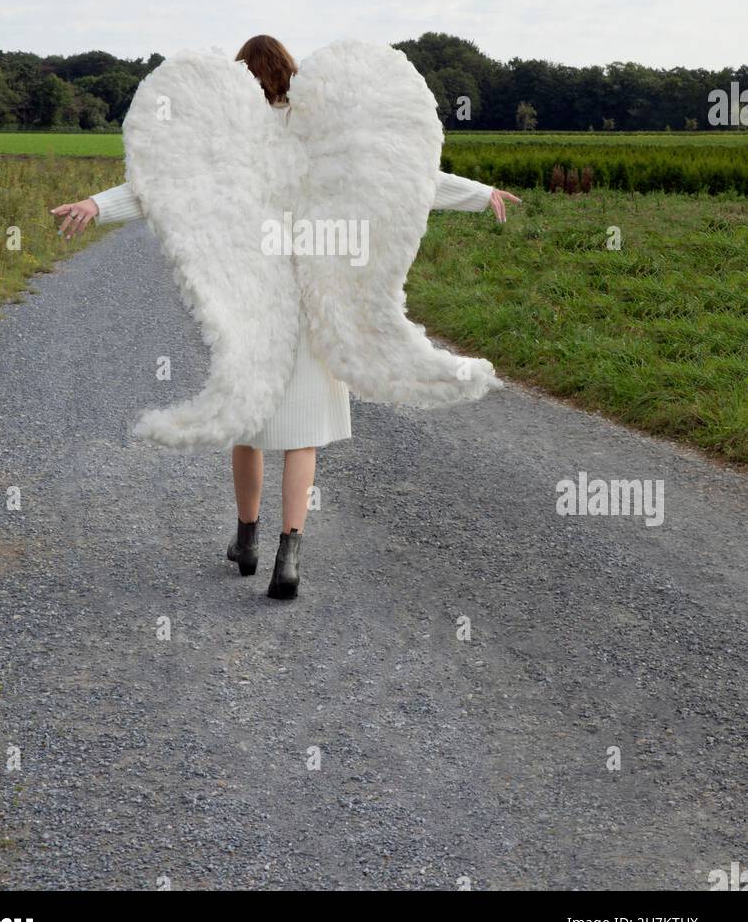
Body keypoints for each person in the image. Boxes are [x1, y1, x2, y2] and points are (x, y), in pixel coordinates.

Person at [51, 35, 520, 600]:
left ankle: (245, 539)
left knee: (247, 425)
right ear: (294, 76)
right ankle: (288, 555)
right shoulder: (322, 134)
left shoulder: (230, 138)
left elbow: (160, 187)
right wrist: (479, 193)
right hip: (319, 303)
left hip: (256, 301)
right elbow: (402, 177)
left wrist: (96, 206)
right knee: (303, 438)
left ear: (239, 80)